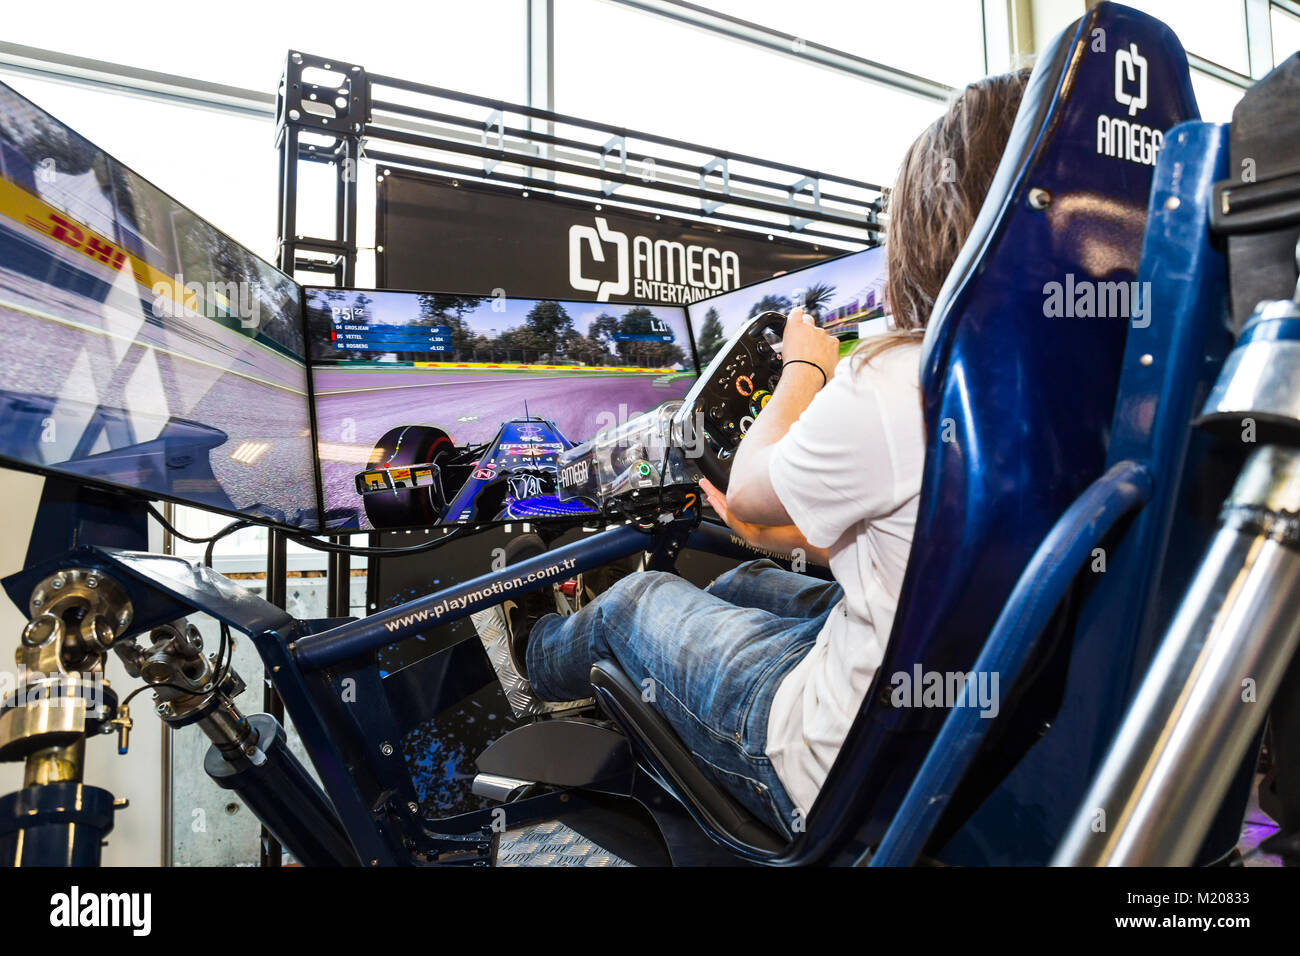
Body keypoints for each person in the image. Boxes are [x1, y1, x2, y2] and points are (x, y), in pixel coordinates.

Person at [503, 69, 1032, 839]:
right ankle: (627, 666)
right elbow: (908, 538)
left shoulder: (905, 377)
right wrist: (762, 527)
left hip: (833, 767)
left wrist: (805, 368)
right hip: (971, 721)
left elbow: (750, 491)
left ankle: (535, 656)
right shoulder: (1088, 377)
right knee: (745, 579)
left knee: (635, 602)